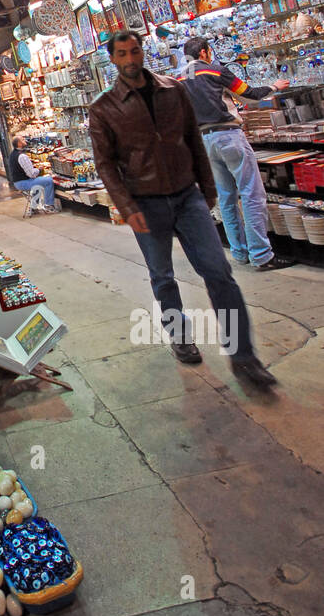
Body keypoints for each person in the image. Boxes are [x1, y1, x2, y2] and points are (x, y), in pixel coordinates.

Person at [89, 29, 276, 387]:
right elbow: (106, 165)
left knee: (219, 272)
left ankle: (244, 356)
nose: (131, 59)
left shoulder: (173, 90)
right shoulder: (104, 108)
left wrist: (206, 190)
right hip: (145, 201)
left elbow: (193, 137)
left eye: (135, 51)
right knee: (162, 277)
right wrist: (127, 206)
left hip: (187, 196)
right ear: (112, 59)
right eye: (123, 54)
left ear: (142, 52)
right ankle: (180, 337)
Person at [179, 36, 294, 272]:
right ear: (203, 52)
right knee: (252, 194)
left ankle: (240, 252)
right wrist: (274, 87)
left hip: (204, 141)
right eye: (208, 51)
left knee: (226, 198)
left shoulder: (179, 79)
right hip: (228, 136)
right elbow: (248, 94)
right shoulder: (215, 71)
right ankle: (262, 255)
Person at [8, 136, 58, 212]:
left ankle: (33, 207)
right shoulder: (22, 156)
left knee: (37, 184)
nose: (24, 140)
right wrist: (39, 169)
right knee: (48, 180)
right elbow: (31, 174)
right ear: (19, 143)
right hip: (23, 183)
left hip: (17, 182)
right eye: (22, 139)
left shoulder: (13, 154)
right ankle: (48, 205)